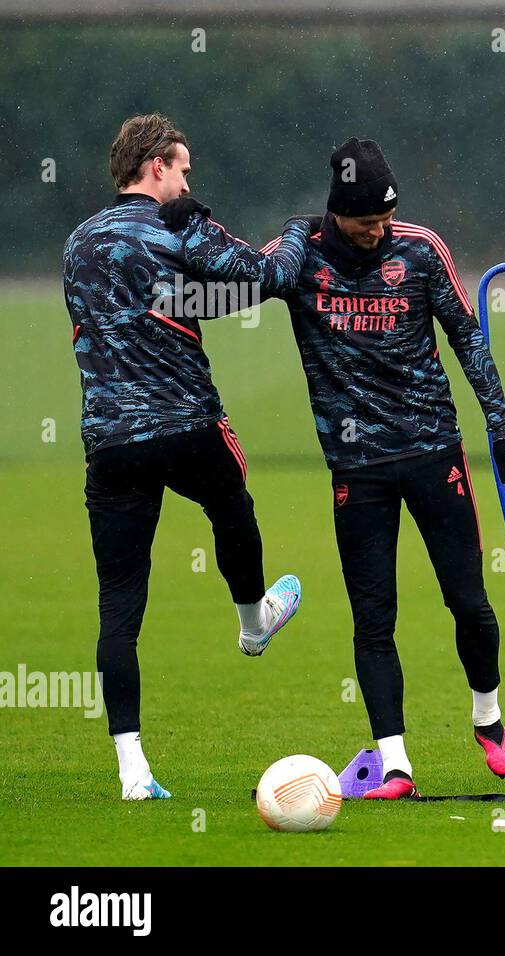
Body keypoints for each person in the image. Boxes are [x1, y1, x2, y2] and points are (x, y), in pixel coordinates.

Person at [164, 138, 505, 799]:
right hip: (355, 466)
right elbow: (234, 287)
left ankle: (489, 719)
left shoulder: (421, 249)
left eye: (389, 217)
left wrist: (501, 427)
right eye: (368, 221)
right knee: (373, 615)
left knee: (469, 602)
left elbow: (467, 335)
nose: (381, 230)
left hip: (432, 451)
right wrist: (188, 230)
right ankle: (395, 764)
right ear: (339, 214)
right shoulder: (301, 257)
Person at [64, 114, 309, 800]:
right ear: (156, 167)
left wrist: (195, 290)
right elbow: (265, 278)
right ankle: (253, 623)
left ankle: (132, 772)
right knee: (233, 501)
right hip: (187, 426)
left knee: (118, 607)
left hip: (110, 441)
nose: (189, 180)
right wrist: (296, 229)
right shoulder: (179, 227)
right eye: (184, 168)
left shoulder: (78, 241)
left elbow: (162, 303)